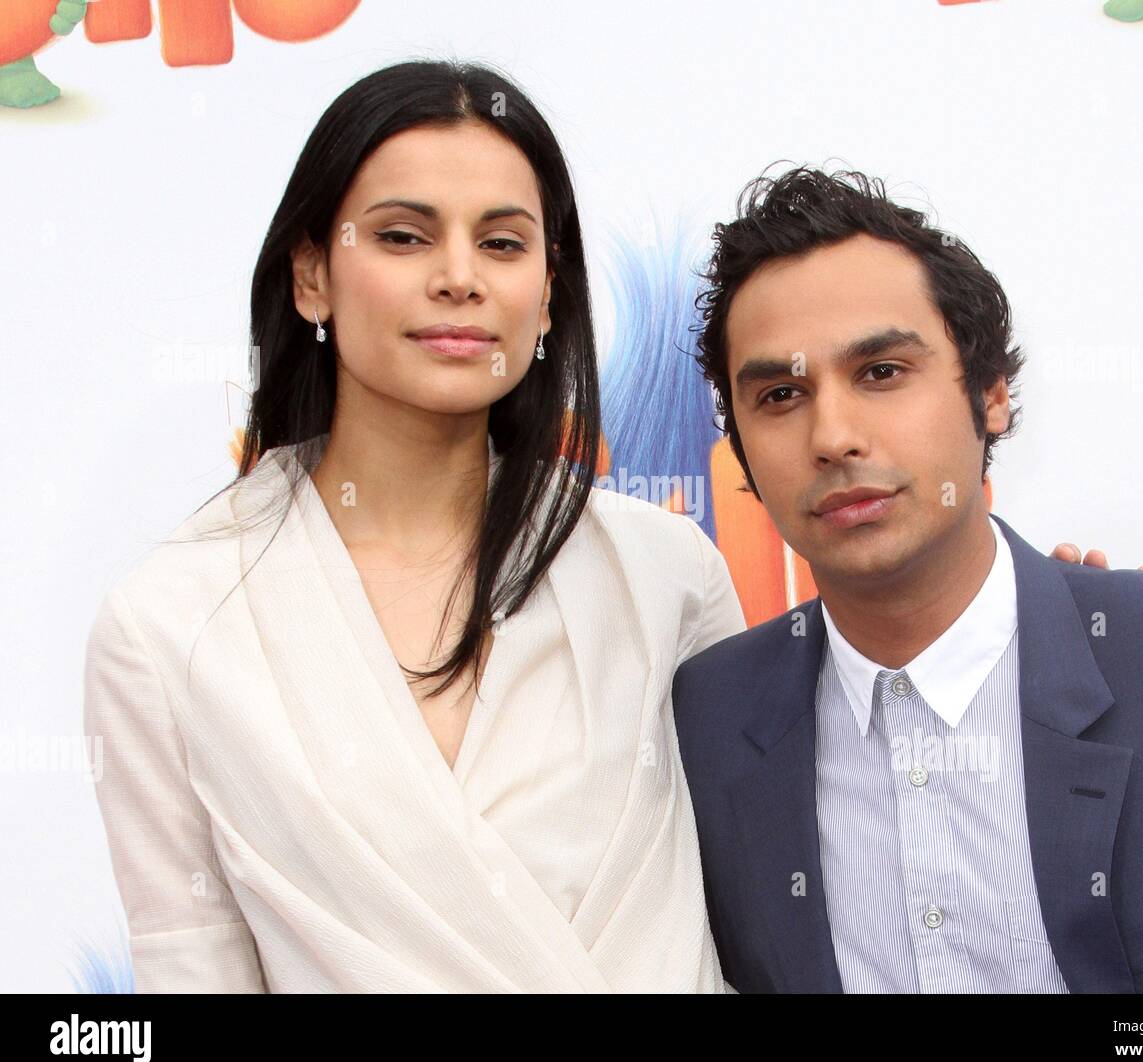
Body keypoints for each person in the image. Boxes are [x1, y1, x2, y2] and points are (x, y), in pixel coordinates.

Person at [82, 58, 749, 993]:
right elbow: (191, 967)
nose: (460, 279)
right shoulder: (169, 623)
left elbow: (773, 899)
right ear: (311, 274)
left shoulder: (664, 569)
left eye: (505, 244)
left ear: (549, 294)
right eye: (403, 236)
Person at [673, 166, 1143, 994]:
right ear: (742, 450)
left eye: (882, 372)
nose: (834, 436)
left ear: (991, 393)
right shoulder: (706, 723)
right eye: (782, 394)